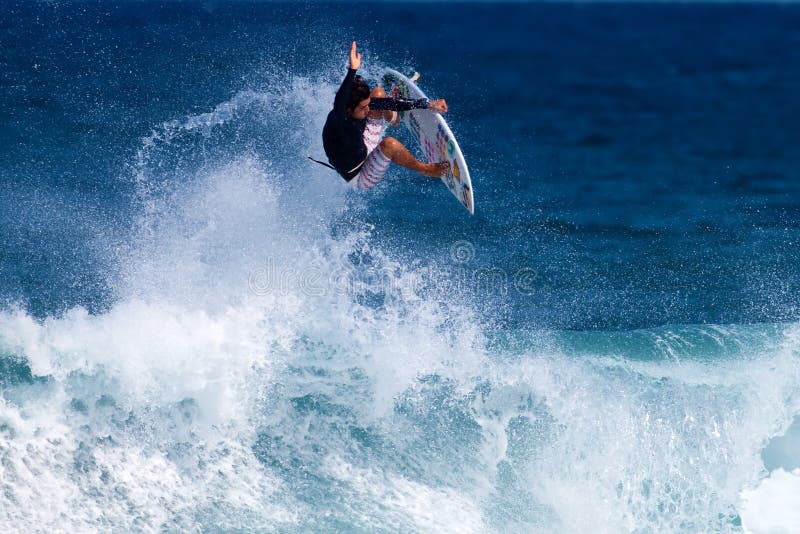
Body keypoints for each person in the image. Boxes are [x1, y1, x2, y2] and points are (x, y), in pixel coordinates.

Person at [322, 42, 450, 190]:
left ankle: (394, 118)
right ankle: (426, 169)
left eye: (367, 105)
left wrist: (427, 104)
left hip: (364, 144)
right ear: (348, 111)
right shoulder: (340, 120)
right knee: (390, 144)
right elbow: (339, 103)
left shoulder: (357, 108)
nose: (368, 109)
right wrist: (352, 70)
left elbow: (385, 103)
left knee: (378, 94)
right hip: (360, 174)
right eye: (363, 107)